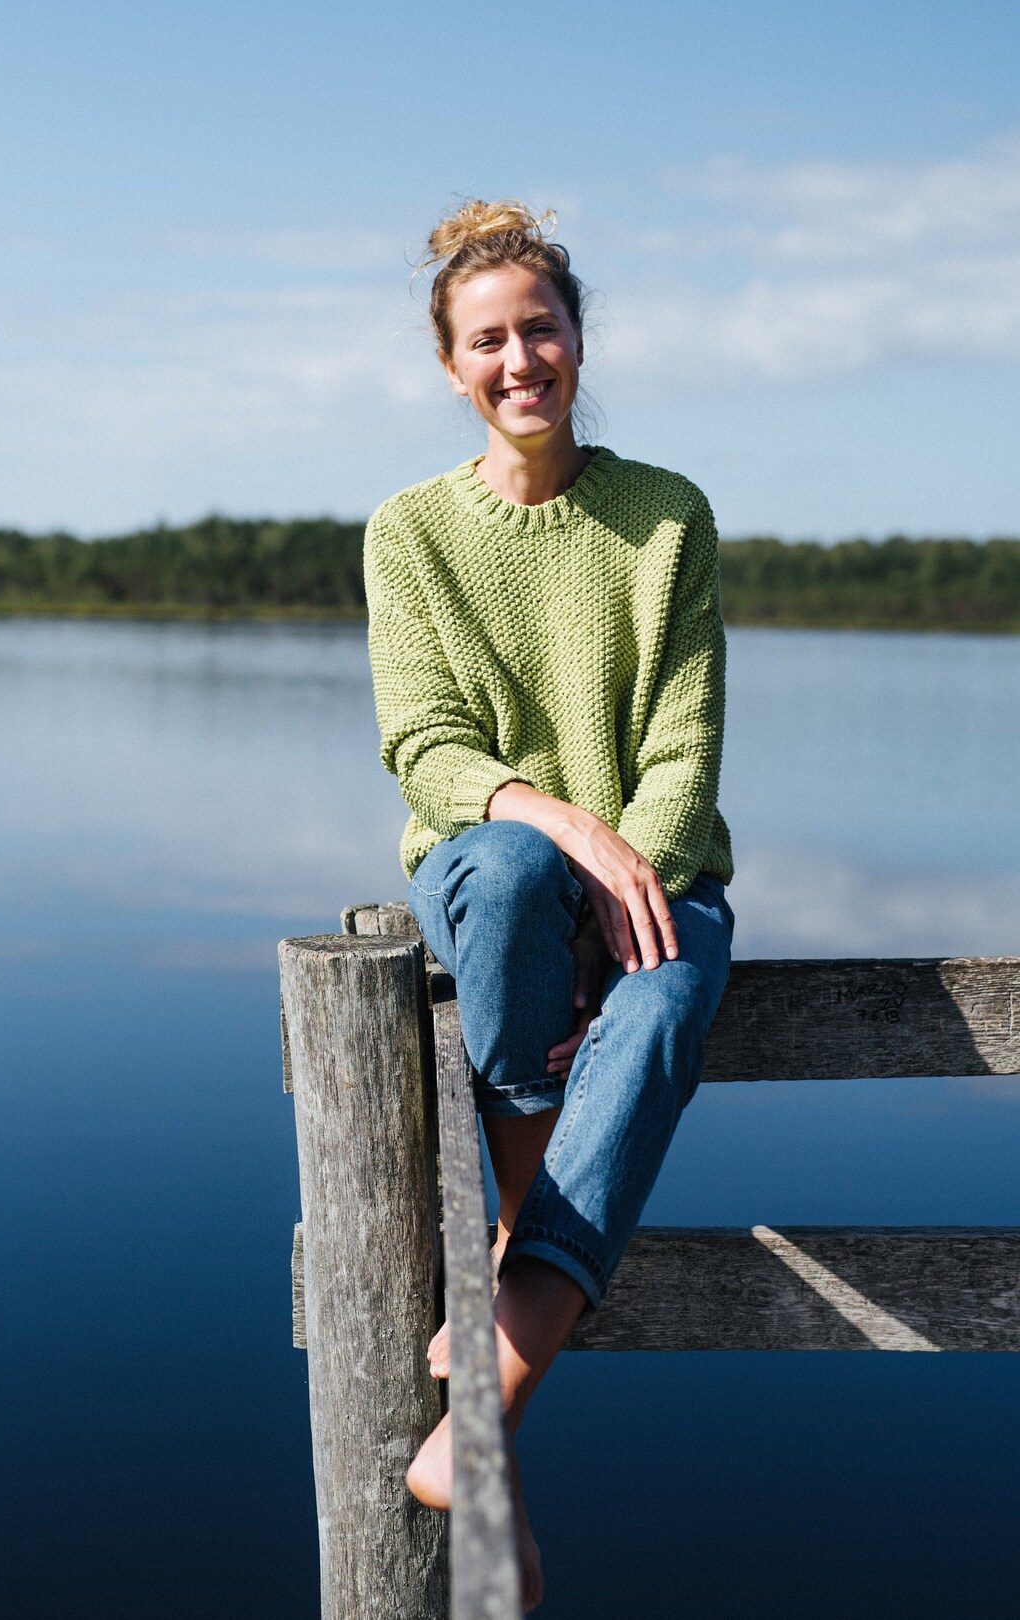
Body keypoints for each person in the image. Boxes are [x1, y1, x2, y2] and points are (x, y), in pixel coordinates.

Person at [364, 199, 734, 1611]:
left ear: (579, 341)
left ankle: (489, 1413)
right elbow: (428, 745)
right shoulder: (410, 532)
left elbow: (687, 751)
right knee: (514, 874)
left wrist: (629, 861)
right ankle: (531, 1239)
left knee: (657, 1000)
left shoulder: (666, 518)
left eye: (541, 330)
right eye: (488, 341)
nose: (521, 359)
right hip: (499, 859)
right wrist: (564, 826)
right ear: (452, 367)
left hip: (662, 862)